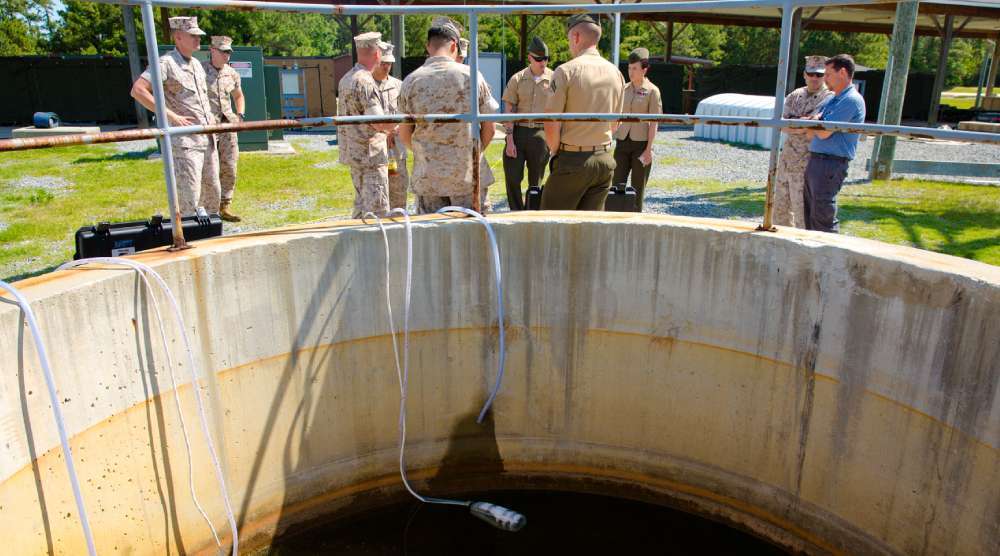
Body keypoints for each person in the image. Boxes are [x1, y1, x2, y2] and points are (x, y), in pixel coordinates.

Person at [398, 17, 495, 214]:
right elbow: (490, 129)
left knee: (433, 238)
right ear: (454, 45)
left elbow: (404, 133)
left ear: (428, 46)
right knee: (473, 235)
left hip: (429, 179)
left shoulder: (411, 81)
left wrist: (425, 155)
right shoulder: (472, 77)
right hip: (468, 176)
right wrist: (470, 153)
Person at [130, 16, 221, 215]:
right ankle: (188, 239)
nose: (198, 39)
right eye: (193, 35)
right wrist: (170, 115)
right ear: (178, 37)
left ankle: (211, 235)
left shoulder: (197, 64)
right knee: (189, 198)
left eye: (199, 35)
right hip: (186, 144)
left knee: (213, 194)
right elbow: (138, 90)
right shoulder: (166, 63)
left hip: (207, 140)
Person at [541, 14, 625, 211]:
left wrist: (555, 151)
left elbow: (551, 120)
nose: (570, 44)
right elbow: (616, 122)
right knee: (590, 229)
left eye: (570, 39)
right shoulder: (616, 73)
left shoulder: (565, 71)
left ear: (576, 37)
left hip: (572, 159)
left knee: (552, 223)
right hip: (604, 159)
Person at [803, 54, 866, 233]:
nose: (825, 79)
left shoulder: (851, 100)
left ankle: (828, 256)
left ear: (843, 72)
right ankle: (812, 253)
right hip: (817, 160)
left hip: (831, 163)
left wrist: (816, 121)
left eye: (828, 74)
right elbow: (810, 130)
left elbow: (822, 132)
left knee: (823, 215)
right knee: (811, 213)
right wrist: (816, 122)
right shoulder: (832, 99)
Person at [337, 31, 396, 218]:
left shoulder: (346, 78)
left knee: (361, 207)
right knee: (375, 213)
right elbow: (380, 122)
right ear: (378, 53)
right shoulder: (365, 81)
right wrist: (403, 124)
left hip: (355, 153)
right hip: (370, 155)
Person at [773, 55, 833, 228]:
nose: (814, 78)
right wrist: (801, 124)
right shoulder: (795, 95)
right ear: (805, 74)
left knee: (802, 209)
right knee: (780, 206)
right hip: (787, 158)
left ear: (825, 76)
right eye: (811, 73)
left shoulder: (828, 97)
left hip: (808, 160)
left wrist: (799, 122)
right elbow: (782, 123)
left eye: (819, 74)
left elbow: (813, 125)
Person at [500, 36, 553, 211]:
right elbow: (509, 110)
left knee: (536, 180)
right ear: (530, 58)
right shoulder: (517, 79)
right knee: (513, 176)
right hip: (518, 132)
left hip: (541, 134)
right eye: (538, 59)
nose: (542, 63)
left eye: (545, 59)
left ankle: (532, 211)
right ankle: (516, 211)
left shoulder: (554, 79)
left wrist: (553, 141)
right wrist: (509, 140)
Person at [612, 47, 661, 211]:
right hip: (622, 142)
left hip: (641, 145)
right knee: (615, 184)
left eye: (635, 68)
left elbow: (654, 122)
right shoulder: (623, 89)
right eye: (629, 68)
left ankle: (636, 219)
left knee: (637, 188)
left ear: (644, 69)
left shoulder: (652, 91)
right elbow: (616, 115)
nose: (630, 72)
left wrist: (649, 150)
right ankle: (615, 217)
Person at [203, 35, 246, 222]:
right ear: (213, 50)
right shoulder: (199, 70)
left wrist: (240, 115)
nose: (227, 56)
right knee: (209, 168)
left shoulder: (232, 73)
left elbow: (238, 96)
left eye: (229, 52)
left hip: (227, 124)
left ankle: (224, 206)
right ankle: (207, 208)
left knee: (230, 166)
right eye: (223, 52)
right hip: (207, 126)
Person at [455, 35, 499, 202]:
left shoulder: (421, 78)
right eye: (459, 57)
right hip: (459, 165)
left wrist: (477, 151)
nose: (460, 61)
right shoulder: (475, 77)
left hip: (466, 163)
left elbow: (490, 127)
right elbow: (490, 127)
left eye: (462, 58)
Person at [372, 41, 408, 210]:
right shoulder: (367, 85)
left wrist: (396, 131)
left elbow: (407, 115)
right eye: (383, 63)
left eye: (389, 63)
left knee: (399, 194)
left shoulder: (399, 86)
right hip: (375, 150)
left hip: (397, 149)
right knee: (376, 197)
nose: (386, 67)